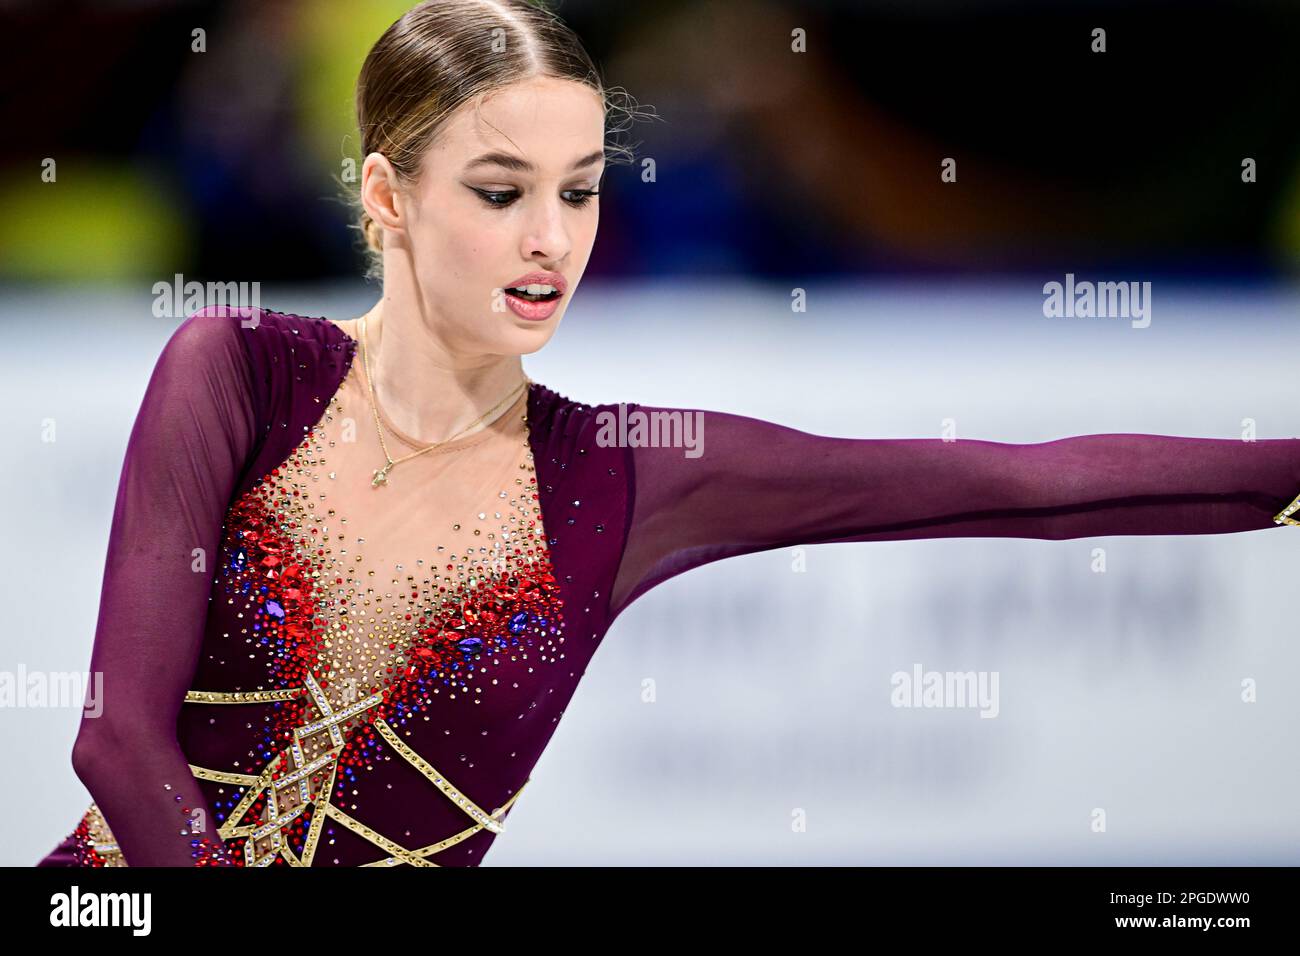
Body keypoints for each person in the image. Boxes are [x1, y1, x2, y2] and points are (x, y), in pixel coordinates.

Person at [37, 0, 1300, 867]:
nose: (550, 240)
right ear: (387, 197)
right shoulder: (240, 372)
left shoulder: (631, 470)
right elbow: (116, 734)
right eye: (498, 192)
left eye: (578, 192)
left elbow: (1013, 482)